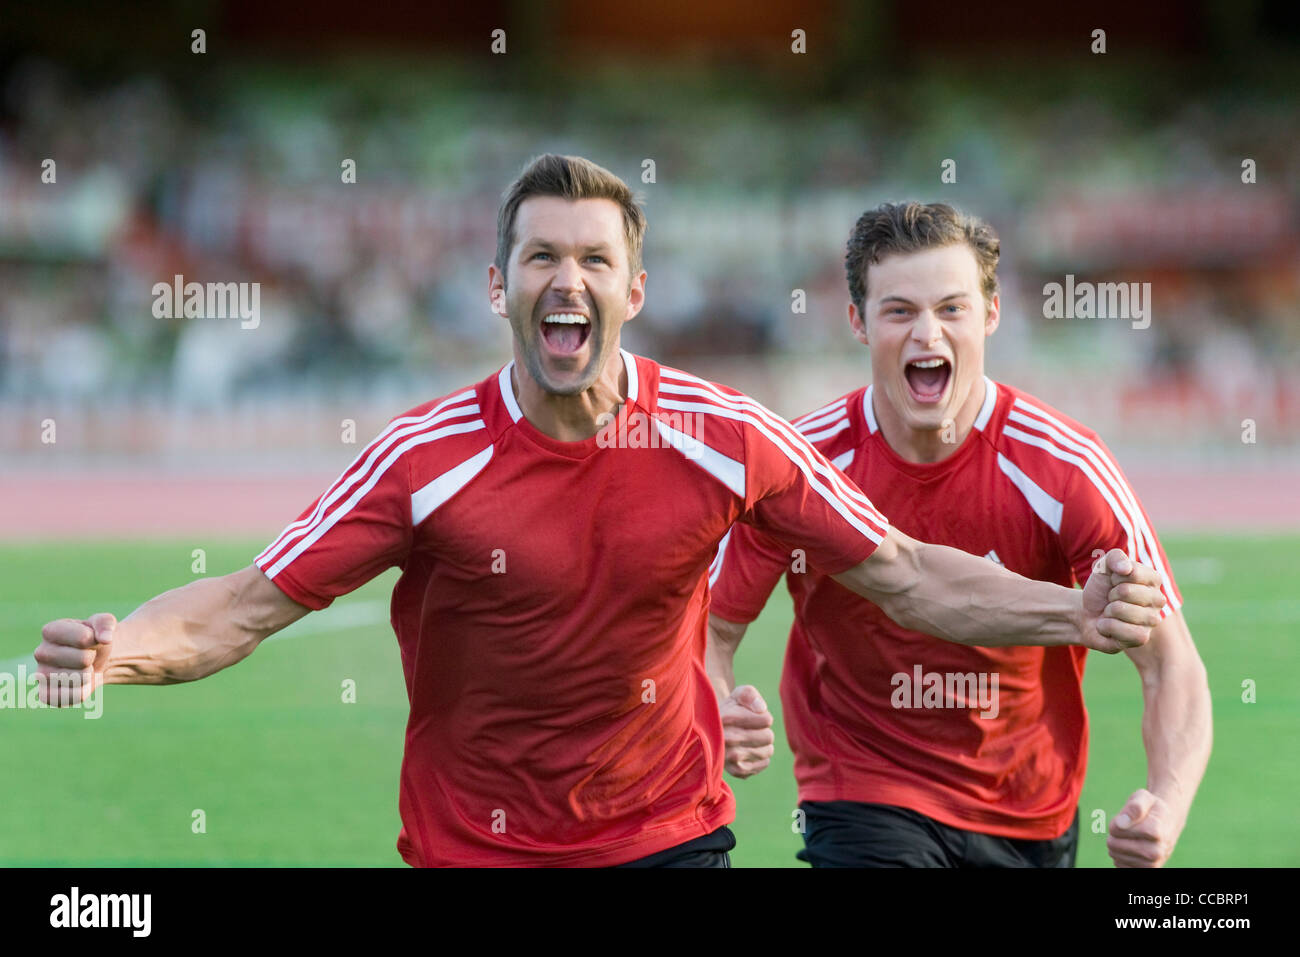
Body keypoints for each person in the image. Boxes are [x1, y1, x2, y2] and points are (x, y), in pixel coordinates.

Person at [34, 160, 1167, 868]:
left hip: (667, 836)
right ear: (499, 288)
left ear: (634, 289)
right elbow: (239, 609)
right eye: (539, 257)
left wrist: (1076, 612)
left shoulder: (725, 436)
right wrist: (115, 649)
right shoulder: (424, 460)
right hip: (474, 846)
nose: (565, 278)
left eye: (593, 258)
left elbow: (911, 574)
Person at [707, 202, 1210, 868]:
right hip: (860, 788)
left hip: (1028, 808)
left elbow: (1172, 662)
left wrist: (1166, 802)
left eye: (951, 308)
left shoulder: (1067, 467)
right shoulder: (800, 465)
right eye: (899, 311)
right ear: (858, 321)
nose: (927, 334)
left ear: (991, 314)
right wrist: (717, 703)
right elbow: (707, 629)